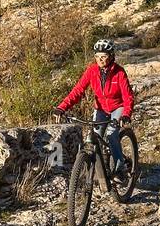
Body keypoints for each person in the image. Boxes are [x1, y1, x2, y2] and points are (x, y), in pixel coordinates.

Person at [55, 38, 134, 173]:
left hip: (117, 107)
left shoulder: (119, 72)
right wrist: (62, 107)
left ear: (111, 56)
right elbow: (78, 90)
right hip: (101, 108)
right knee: (93, 137)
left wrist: (126, 114)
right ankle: (95, 171)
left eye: (104, 56)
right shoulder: (92, 71)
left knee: (111, 134)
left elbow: (128, 96)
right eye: (97, 56)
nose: (100, 59)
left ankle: (120, 165)